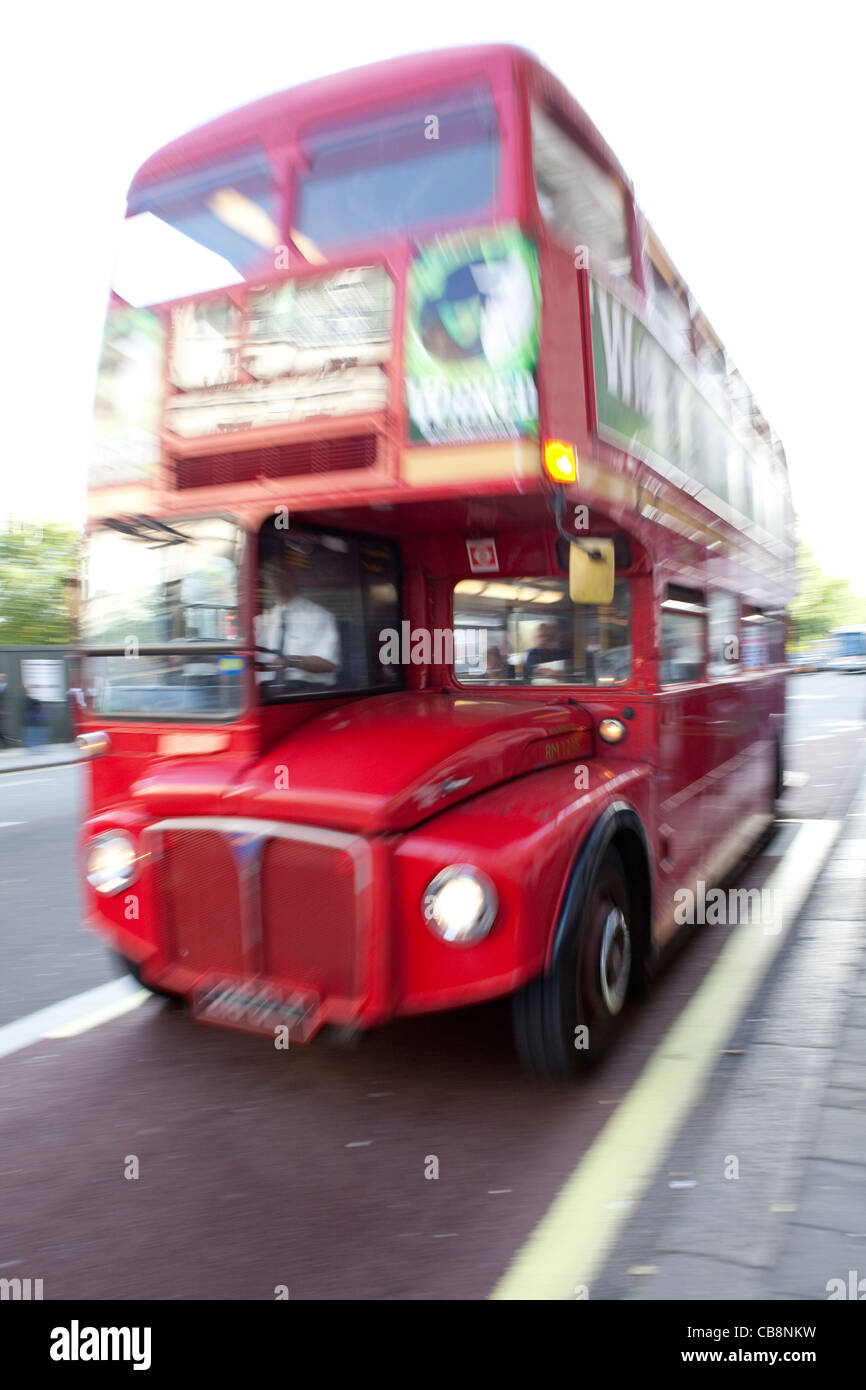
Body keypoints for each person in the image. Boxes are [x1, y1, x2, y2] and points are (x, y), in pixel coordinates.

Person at [255, 557, 339, 690]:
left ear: (294, 577)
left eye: (280, 572)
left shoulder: (319, 615)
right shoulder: (260, 621)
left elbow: (328, 664)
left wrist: (289, 661)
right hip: (264, 692)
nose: (275, 578)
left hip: (306, 691)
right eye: (270, 574)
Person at [21, 687, 47, 752]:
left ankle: (33, 747)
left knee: (33, 733)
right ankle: (34, 747)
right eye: (28, 689)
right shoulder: (28, 698)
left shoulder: (28, 698)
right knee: (33, 733)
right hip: (32, 719)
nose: (29, 690)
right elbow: (35, 706)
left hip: (31, 719)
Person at [0, 673, 10, 747]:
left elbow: (6, 700)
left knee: (2, 729)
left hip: (2, 711)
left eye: (1, 678)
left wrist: (4, 710)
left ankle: (5, 744)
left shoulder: (6, 688)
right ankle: (5, 744)